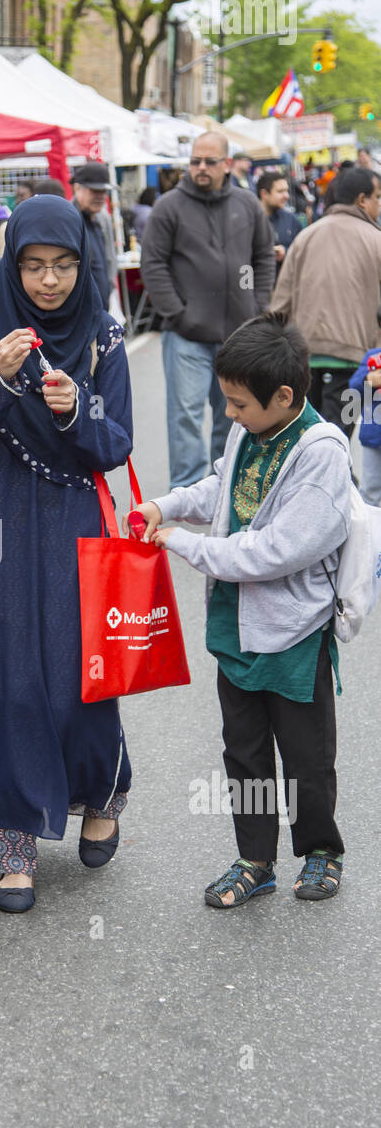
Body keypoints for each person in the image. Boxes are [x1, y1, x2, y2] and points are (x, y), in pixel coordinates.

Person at [0, 195, 133, 913]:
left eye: (64, 265)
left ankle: (102, 788)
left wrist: (78, 409)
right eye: (34, 265)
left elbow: (117, 443)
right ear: (13, 264)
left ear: (84, 264)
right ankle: (12, 835)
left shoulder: (104, 336)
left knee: (78, 670)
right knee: (5, 674)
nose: (49, 281)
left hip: (73, 514)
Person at [132, 313, 349, 905]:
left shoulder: (320, 452)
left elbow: (274, 551)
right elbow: (219, 487)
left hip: (294, 630)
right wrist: (165, 505)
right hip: (237, 625)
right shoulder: (249, 430)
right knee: (244, 754)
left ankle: (321, 853)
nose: (228, 415)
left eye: (238, 405)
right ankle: (255, 860)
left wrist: (179, 541)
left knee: (306, 756)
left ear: (284, 396)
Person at [141, 130, 275, 489]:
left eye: (209, 161)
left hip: (239, 338)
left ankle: (224, 487)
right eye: (195, 161)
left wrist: (256, 305)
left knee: (233, 418)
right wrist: (178, 311)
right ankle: (185, 493)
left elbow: (260, 258)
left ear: (226, 164)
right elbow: (153, 263)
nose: (201, 168)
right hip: (187, 336)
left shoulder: (247, 205)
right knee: (185, 416)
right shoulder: (169, 206)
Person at [269, 165, 381, 440]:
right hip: (354, 363)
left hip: (303, 360)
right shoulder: (376, 240)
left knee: (309, 441)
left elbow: (280, 305)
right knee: (337, 441)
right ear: (362, 199)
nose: (379, 203)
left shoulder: (305, 237)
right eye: (377, 196)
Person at [72, 161, 117, 307]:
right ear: (77, 188)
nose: (100, 196)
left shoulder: (102, 218)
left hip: (102, 307)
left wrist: (110, 288)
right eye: (94, 191)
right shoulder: (69, 220)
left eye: (103, 191)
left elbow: (109, 258)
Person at [348, 349, 381, 504]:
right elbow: (353, 387)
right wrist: (368, 378)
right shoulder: (373, 356)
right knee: (370, 490)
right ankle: (369, 527)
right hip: (373, 436)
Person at [256, 171, 302, 279]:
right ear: (264, 194)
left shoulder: (291, 220)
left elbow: (302, 253)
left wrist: (285, 252)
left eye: (286, 191)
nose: (286, 196)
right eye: (280, 191)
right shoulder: (249, 221)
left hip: (283, 287)